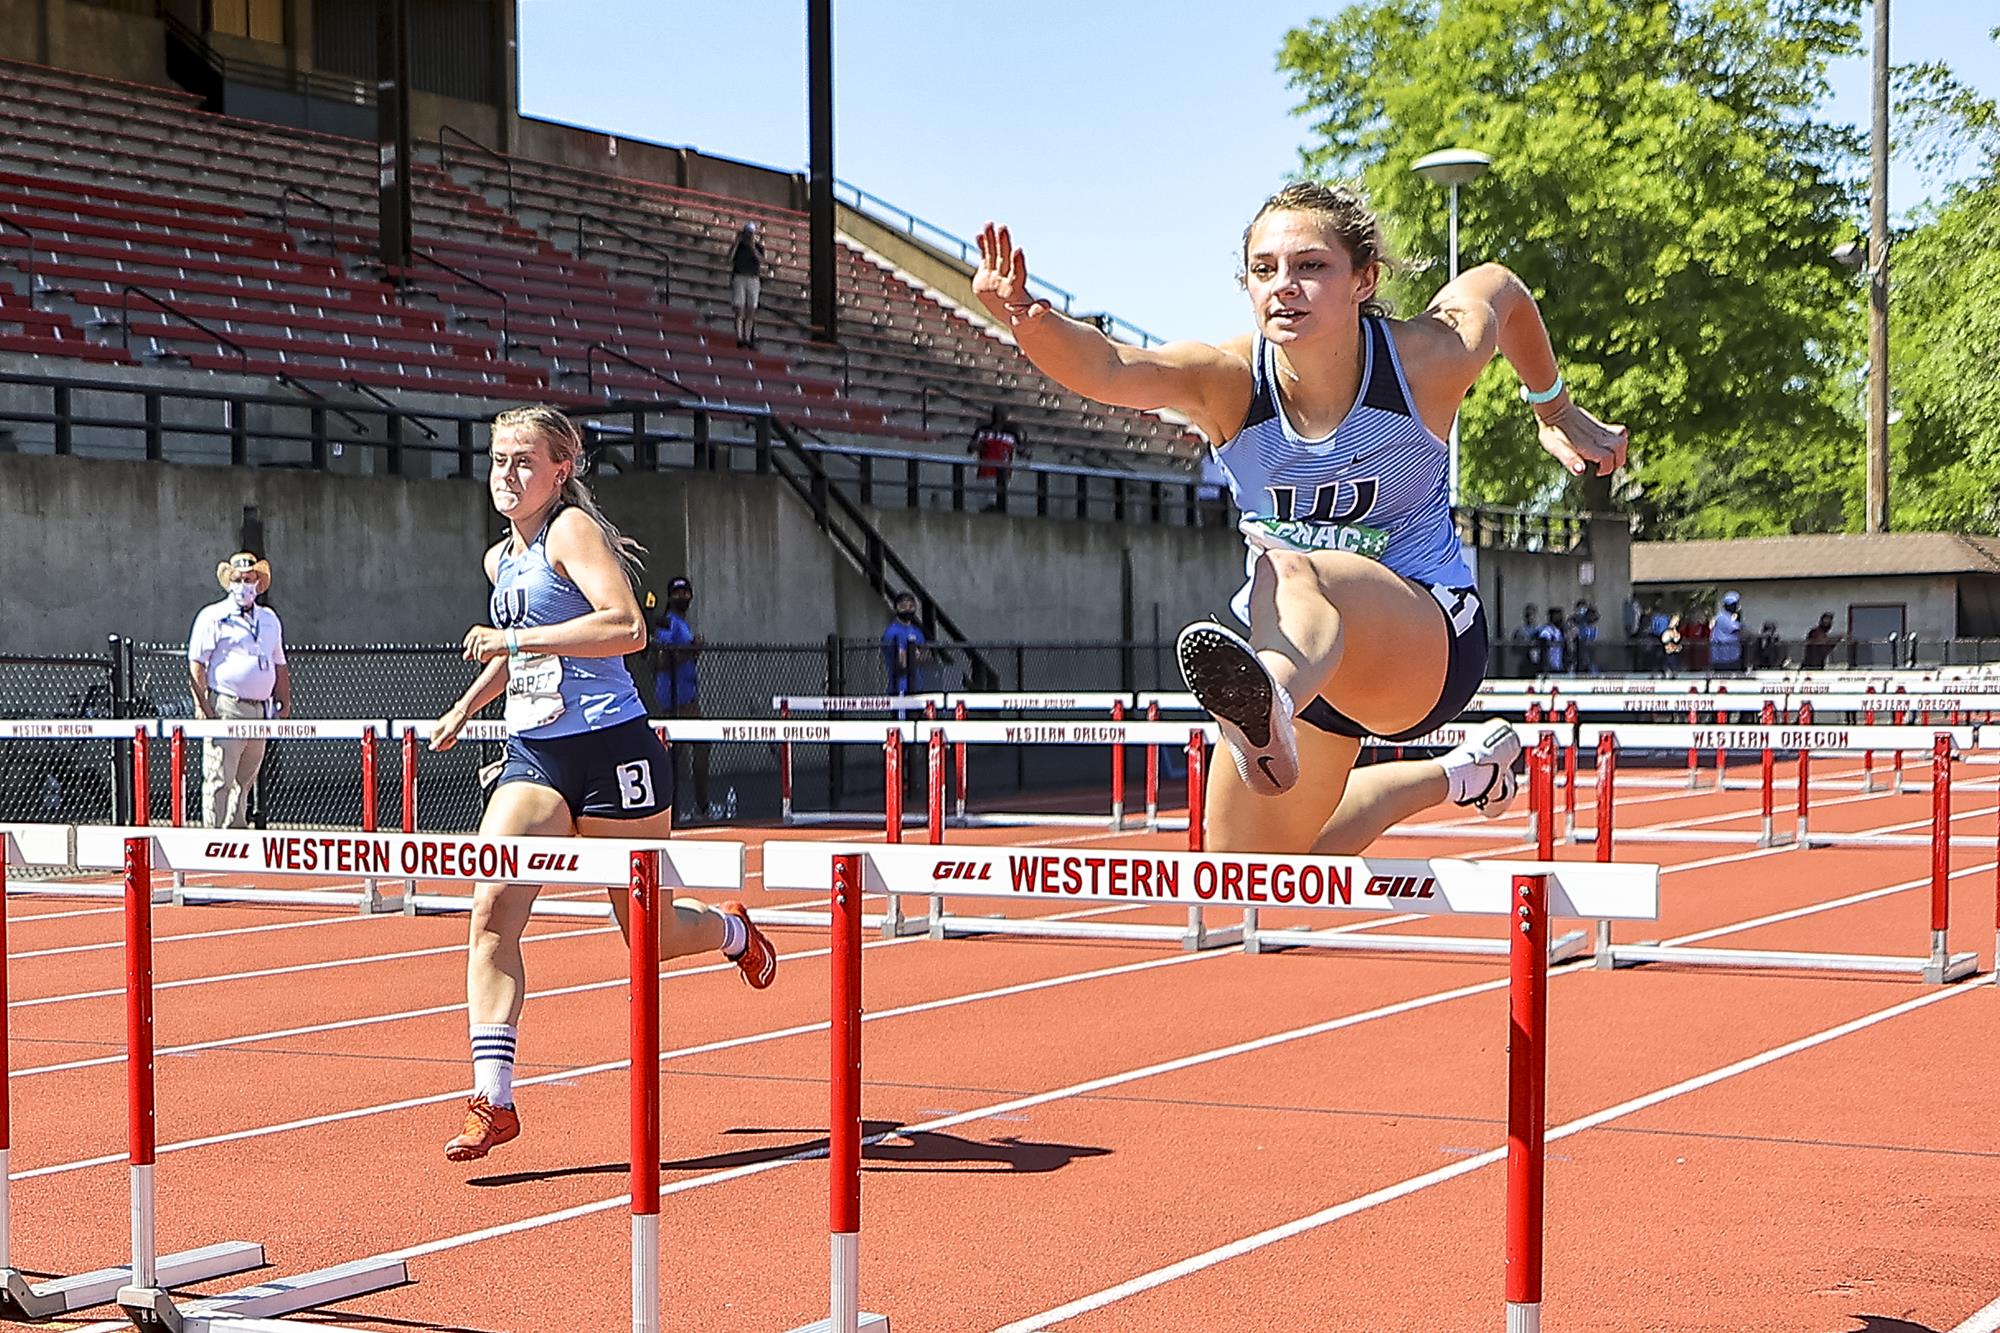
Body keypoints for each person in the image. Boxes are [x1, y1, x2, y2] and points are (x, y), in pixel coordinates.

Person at [973, 181, 1627, 855]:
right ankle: (1460, 773)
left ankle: (1269, 706)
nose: (1284, 285)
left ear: (1362, 280)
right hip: (1303, 654)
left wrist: (1555, 409)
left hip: (1423, 641)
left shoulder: (1426, 359)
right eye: (1265, 270)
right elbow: (1111, 367)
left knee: (1294, 568)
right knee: (1257, 877)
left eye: (1310, 266)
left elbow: (1501, 289)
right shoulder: (1227, 379)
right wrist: (1027, 317)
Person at [428, 405, 775, 1164]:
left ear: (562, 469)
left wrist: (516, 637)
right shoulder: (499, 559)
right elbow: (513, 653)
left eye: (524, 461)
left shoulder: (570, 533)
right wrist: (464, 705)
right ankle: (495, 1095)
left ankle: (731, 931)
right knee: (490, 907)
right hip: (538, 757)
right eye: (497, 461)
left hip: (614, 748)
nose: (507, 475)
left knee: (646, 937)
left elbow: (626, 626)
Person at [187, 551, 291, 828]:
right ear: (228, 582)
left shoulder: (269, 619)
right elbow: (196, 663)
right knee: (220, 773)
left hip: (259, 709)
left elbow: (279, 662)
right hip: (227, 705)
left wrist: (283, 701)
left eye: (249, 579)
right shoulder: (213, 616)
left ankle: (237, 830)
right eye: (238, 579)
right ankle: (213, 836)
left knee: (246, 776)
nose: (243, 584)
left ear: (258, 582)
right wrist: (203, 706)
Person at [649, 575, 711, 822]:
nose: (682, 597)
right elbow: (663, 660)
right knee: (679, 754)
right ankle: (682, 809)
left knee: (697, 748)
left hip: (688, 693)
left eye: (685, 593)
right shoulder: (668, 623)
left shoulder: (683, 624)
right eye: (677, 594)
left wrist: (693, 651)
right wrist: (691, 650)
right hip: (675, 698)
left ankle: (697, 805)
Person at [969, 404, 1023, 512]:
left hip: (1001, 476)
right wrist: (975, 446)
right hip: (983, 474)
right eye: (998, 413)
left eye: (1003, 414)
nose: (1000, 417)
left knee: (995, 506)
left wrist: (1025, 451)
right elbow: (970, 448)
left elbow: (1022, 450)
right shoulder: (982, 430)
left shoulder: (1012, 432)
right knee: (983, 507)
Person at [882, 591, 927, 696]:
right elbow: (901, 662)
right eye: (904, 606)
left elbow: (926, 656)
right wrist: (913, 654)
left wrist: (914, 655)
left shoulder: (917, 632)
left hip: (918, 687)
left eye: (911, 606)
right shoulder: (892, 632)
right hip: (899, 688)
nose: (908, 609)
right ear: (897, 608)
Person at [728, 221, 765, 348]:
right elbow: (729, 258)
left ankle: (748, 337)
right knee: (740, 309)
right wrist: (736, 242)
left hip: (753, 278)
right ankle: (739, 337)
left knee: (751, 309)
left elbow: (761, 260)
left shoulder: (758, 246)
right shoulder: (738, 246)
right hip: (740, 276)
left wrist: (753, 246)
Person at [1709, 591, 1744, 673]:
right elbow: (1736, 628)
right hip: (1723, 656)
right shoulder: (1722, 617)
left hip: (1732, 654)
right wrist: (1738, 618)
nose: (1736, 606)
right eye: (1734, 604)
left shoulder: (1729, 617)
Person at [1509, 603, 1541, 678]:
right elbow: (1514, 649)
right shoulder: (1520, 631)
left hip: (1537, 663)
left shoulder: (1540, 630)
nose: (1530, 617)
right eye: (1527, 615)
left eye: (1531, 614)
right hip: (1524, 662)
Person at [1536, 605, 1568, 675]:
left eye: (1560, 615)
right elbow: (1543, 643)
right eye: (1557, 616)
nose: (1560, 618)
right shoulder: (1547, 630)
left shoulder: (1560, 631)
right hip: (1549, 667)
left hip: (1559, 666)